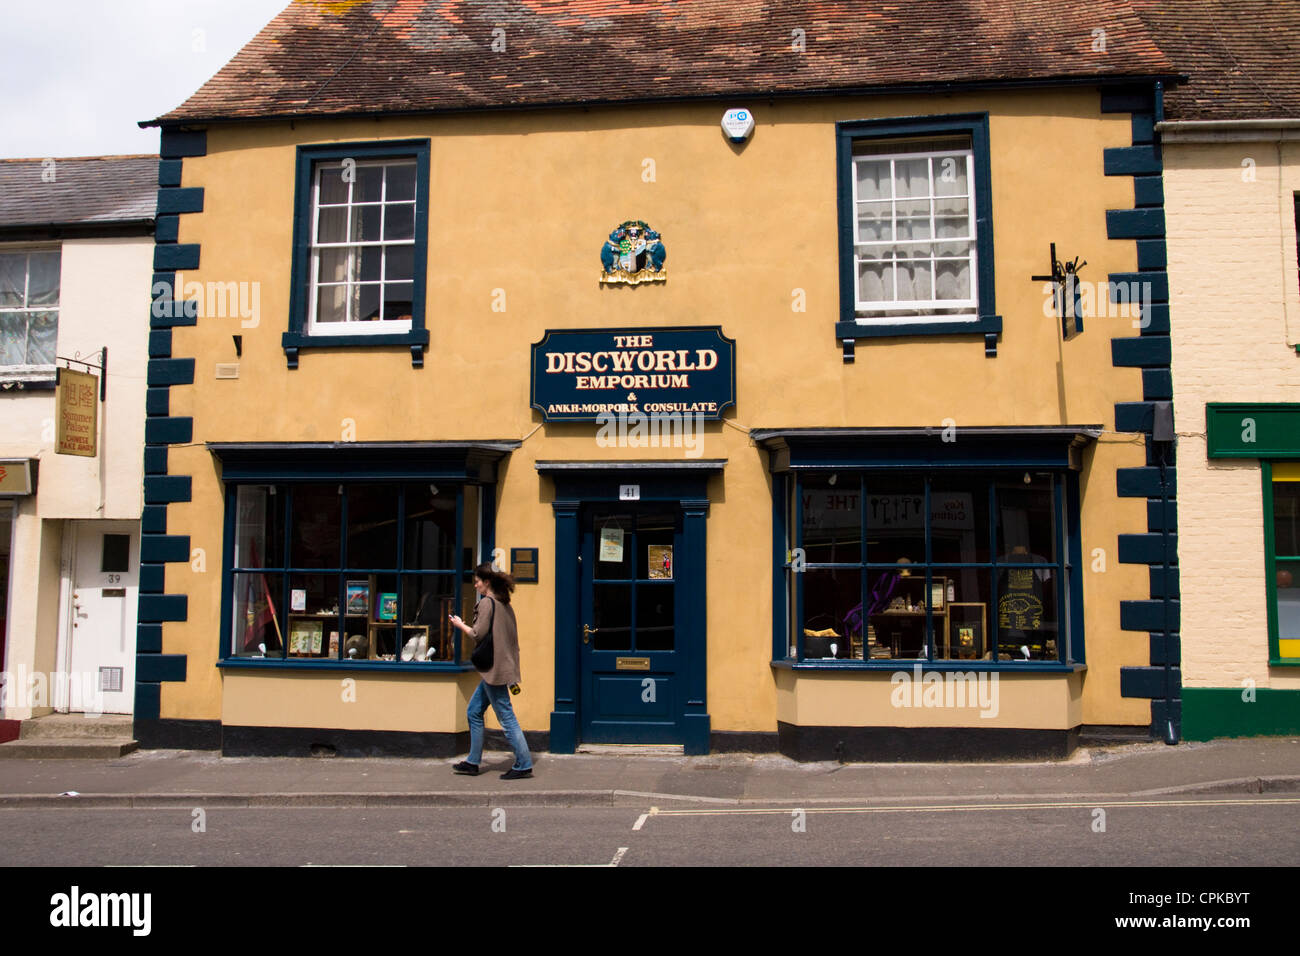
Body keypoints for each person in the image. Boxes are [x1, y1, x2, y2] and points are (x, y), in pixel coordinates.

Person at [448, 563, 533, 779]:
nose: (475, 585)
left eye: (477, 581)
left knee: (506, 716)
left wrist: (460, 625)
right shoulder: (505, 605)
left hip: (494, 670)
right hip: (500, 668)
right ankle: (473, 761)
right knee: (474, 711)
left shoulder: (488, 603)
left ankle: (523, 764)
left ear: (487, 582)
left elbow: (477, 634)